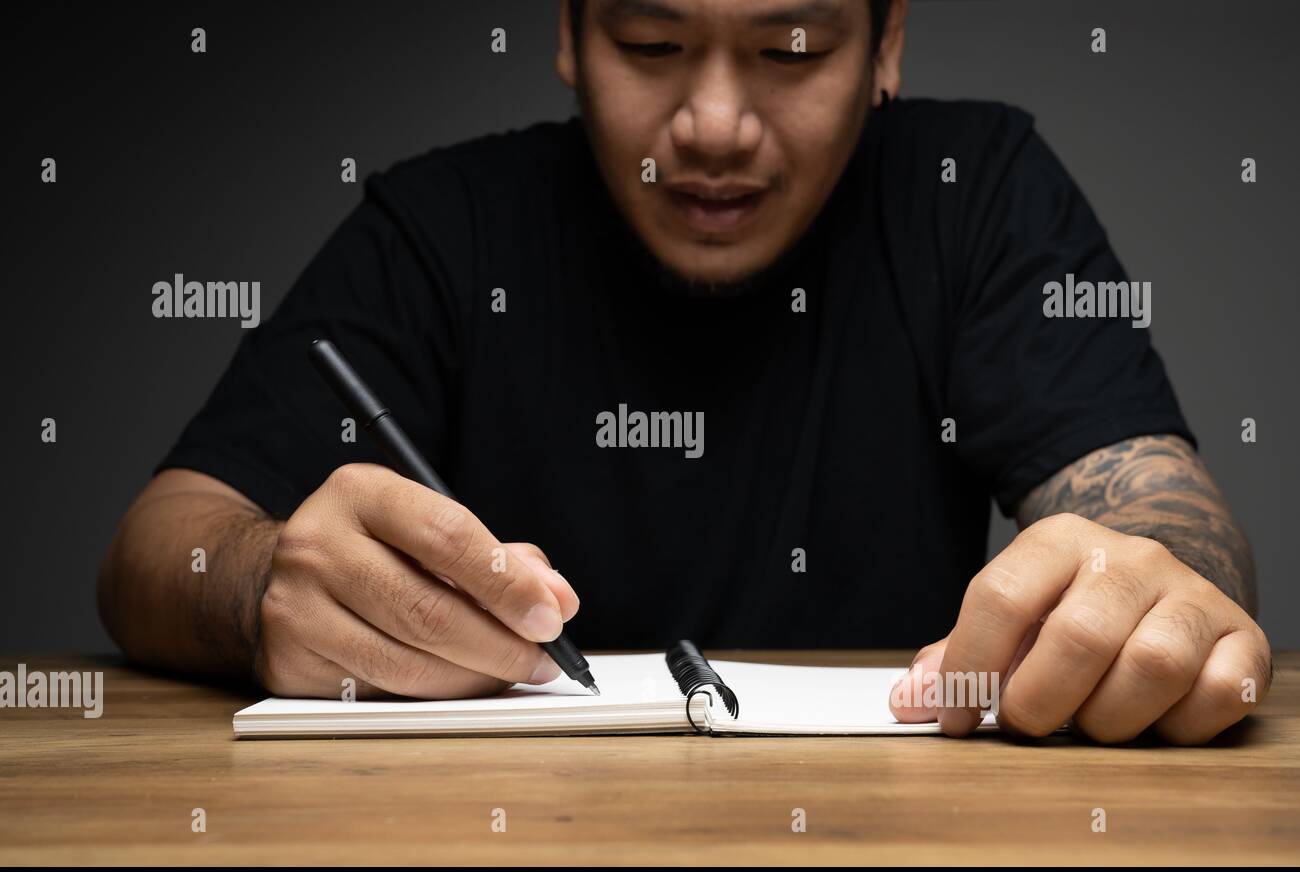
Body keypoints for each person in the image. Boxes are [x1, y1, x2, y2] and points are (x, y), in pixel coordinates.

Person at [98, 0, 1270, 743]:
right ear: (566, 29)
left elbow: (1163, 511)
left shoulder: (977, 189)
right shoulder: (442, 224)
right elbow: (160, 539)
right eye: (651, 44)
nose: (714, 123)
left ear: (886, 43)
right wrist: (261, 587)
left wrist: (1149, 578)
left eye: (793, 47)